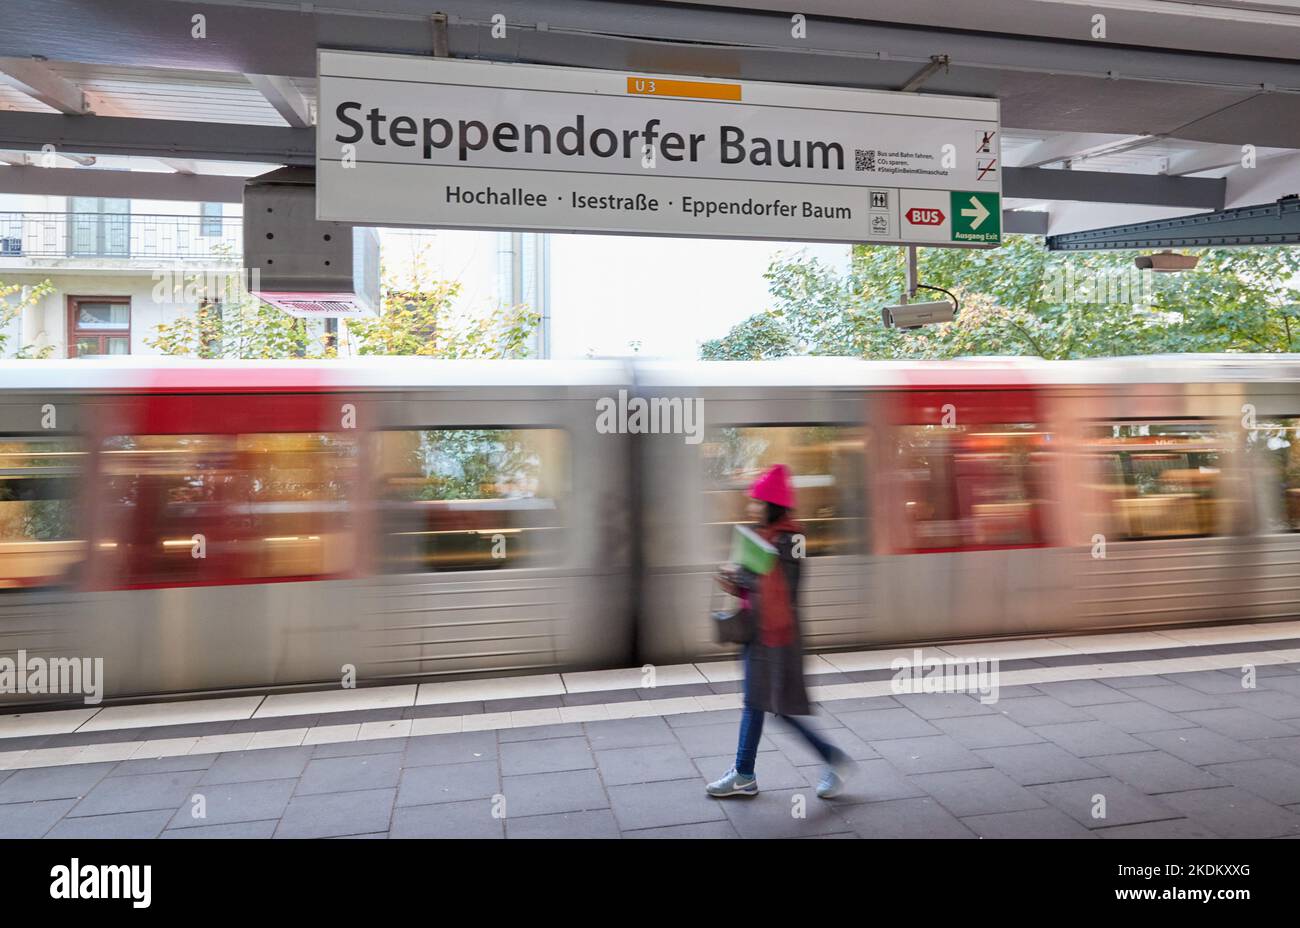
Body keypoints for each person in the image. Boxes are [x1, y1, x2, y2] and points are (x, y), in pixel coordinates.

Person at [706, 464, 856, 800]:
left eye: (758, 502)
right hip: (755, 633)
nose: (751, 508)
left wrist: (742, 576)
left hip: (778, 637)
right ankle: (746, 773)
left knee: (774, 707)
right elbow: (756, 589)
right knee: (759, 703)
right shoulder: (762, 537)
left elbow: (784, 590)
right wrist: (733, 581)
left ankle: (832, 761)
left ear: (773, 505)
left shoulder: (793, 540)